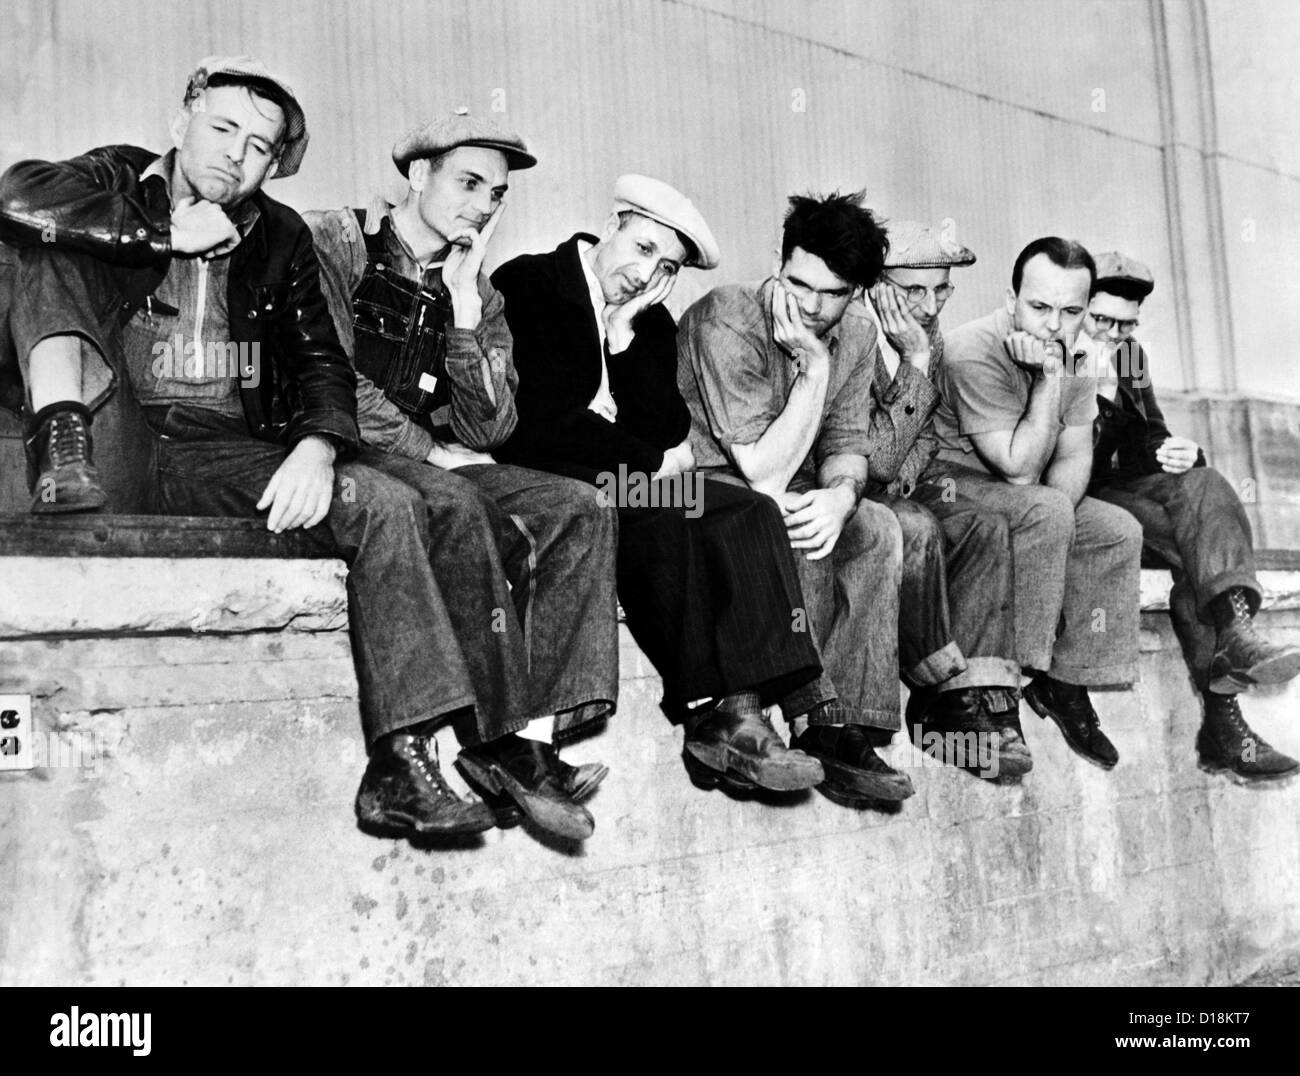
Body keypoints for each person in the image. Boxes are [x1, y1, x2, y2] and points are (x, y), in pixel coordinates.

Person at [0, 57, 603, 844]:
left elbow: (320, 359)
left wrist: (320, 445)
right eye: (221, 129)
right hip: (118, 430)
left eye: (259, 145)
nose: (235, 155)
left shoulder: (279, 235)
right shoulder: (118, 179)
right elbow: (16, 195)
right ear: (180, 121)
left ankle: (408, 762)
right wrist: (159, 234)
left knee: (404, 499)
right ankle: (60, 437)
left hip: (224, 448)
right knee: (38, 242)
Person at [492, 174, 827, 796]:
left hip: (629, 479)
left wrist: (624, 338)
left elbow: (671, 425)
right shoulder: (531, 283)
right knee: (670, 516)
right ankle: (705, 712)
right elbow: (536, 421)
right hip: (553, 481)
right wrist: (648, 461)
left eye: (666, 265)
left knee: (746, 509)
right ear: (614, 225)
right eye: (643, 249)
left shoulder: (648, 322)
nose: (648, 275)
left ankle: (750, 709)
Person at [677, 191, 917, 804]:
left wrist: (841, 494)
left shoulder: (857, 338)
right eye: (798, 284)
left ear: (857, 292)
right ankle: (763, 716)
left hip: (781, 487)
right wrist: (812, 369)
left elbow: (845, 443)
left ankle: (837, 730)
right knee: (777, 514)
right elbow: (761, 470)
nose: (810, 307)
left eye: (831, 293)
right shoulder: (727, 316)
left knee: (876, 526)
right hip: (701, 490)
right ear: (778, 264)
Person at [1082, 250, 1299, 782]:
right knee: (1197, 554)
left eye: (1126, 324)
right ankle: (1224, 723)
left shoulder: (1129, 355)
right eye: (1101, 320)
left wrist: (1181, 450)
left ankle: (1236, 636)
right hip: (1081, 497)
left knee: (1205, 482)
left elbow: (1149, 433)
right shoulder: (1050, 355)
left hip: (1132, 485)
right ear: (1077, 306)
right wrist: (1094, 394)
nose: (1114, 334)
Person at [927, 237, 1143, 771]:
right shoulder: (972, 347)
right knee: (1044, 510)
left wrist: (1060, 513)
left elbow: (1072, 458)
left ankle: (1064, 682)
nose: (1054, 325)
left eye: (1071, 312)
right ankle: (1002, 690)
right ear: (1011, 300)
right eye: (1039, 307)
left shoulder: (1082, 357)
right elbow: (1019, 468)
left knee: (1116, 528)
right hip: (948, 484)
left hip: (1026, 489)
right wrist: (1049, 379)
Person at [866, 220, 1027, 779]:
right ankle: (935, 700)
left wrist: (911, 477)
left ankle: (981, 693)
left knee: (982, 523)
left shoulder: (925, 334)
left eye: (942, 289)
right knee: (916, 526)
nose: (931, 304)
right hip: (845, 484)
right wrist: (911, 362)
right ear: (876, 284)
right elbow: (867, 455)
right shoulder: (857, 335)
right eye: (915, 290)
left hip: (902, 475)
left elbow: (921, 439)